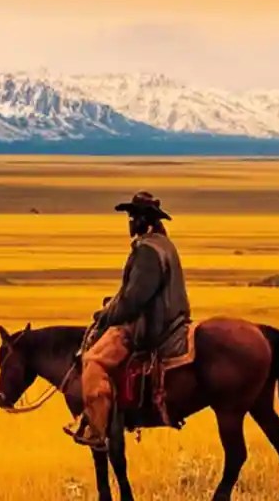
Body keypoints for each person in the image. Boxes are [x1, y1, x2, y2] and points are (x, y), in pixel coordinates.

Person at [71, 191, 192, 450]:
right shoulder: (163, 244)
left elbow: (134, 299)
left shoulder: (148, 250)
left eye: (132, 216)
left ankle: (96, 429)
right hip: (171, 315)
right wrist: (111, 306)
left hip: (151, 324)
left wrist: (105, 316)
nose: (129, 221)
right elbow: (128, 294)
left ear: (144, 220)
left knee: (93, 360)